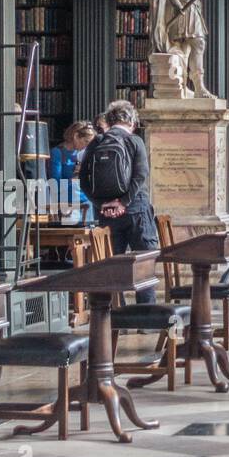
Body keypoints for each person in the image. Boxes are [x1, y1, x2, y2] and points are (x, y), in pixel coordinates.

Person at [78, 100, 159, 304]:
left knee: (113, 268)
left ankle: (116, 318)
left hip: (106, 215)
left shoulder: (97, 142)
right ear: (131, 121)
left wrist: (100, 204)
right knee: (144, 265)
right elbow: (140, 176)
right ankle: (146, 320)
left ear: (110, 120)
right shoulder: (134, 141)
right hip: (136, 212)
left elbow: (84, 180)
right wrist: (123, 202)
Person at [50, 120, 95, 223]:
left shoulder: (83, 154)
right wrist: (75, 176)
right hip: (68, 203)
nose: (87, 146)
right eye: (86, 142)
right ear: (75, 136)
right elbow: (55, 184)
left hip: (86, 202)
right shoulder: (58, 153)